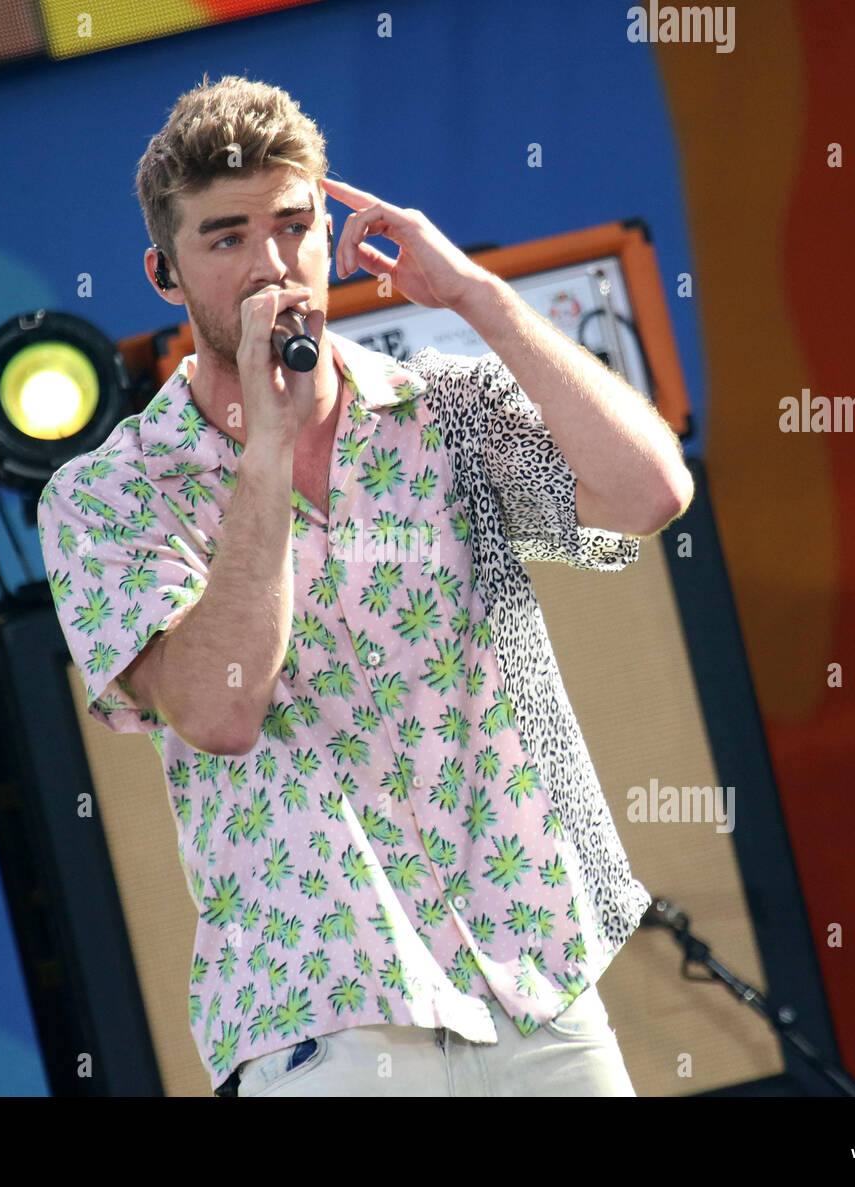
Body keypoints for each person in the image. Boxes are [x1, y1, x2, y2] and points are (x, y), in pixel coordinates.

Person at [36, 73, 693, 1097]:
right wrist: (266, 451)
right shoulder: (109, 495)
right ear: (166, 274)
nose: (271, 265)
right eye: (226, 238)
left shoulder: (442, 411)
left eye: (294, 225)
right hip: (322, 1012)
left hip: (532, 974)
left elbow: (649, 492)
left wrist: (478, 299)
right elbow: (217, 707)